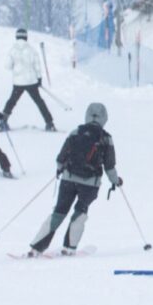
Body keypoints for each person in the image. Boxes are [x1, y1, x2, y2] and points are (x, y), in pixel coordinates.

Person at [28, 102, 121, 256]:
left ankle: (36, 248)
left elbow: (61, 158)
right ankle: (69, 249)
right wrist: (116, 181)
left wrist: (60, 169)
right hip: (90, 185)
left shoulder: (75, 132)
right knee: (80, 212)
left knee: (58, 212)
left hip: (68, 180)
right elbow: (109, 166)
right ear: (104, 118)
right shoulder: (106, 138)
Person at [1, 28, 55, 132]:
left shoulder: (12, 50)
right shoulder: (32, 49)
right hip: (31, 81)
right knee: (39, 102)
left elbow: (7, 66)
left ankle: (3, 121)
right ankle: (49, 123)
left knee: (11, 102)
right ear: (26, 37)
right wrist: (39, 78)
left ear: (16, 36)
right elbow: (37, 65)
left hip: (18, 82)